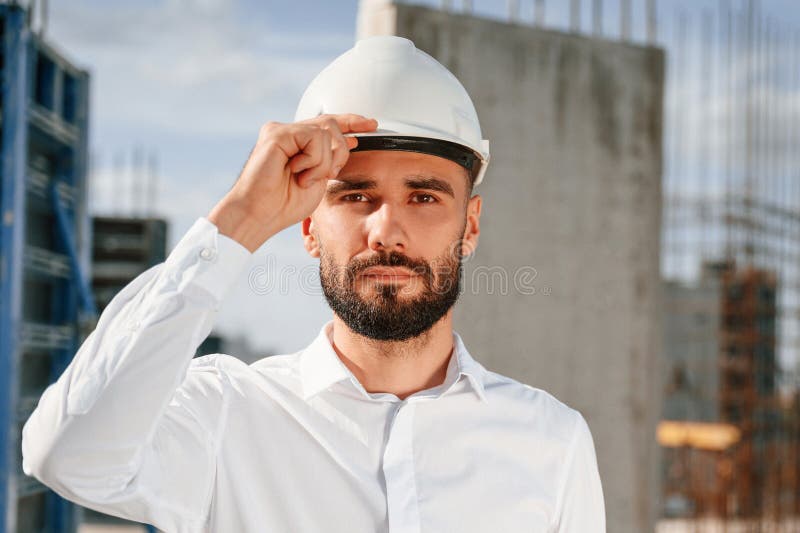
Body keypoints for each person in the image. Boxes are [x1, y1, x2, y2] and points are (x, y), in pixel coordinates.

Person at [22, 36, 605, 532]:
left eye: (424, 197)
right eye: (356, 196)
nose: (386, 230)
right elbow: (68, 456)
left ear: (469, 225)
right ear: (307, 227)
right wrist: (243, 216)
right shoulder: (225, 413)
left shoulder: (551, 441)